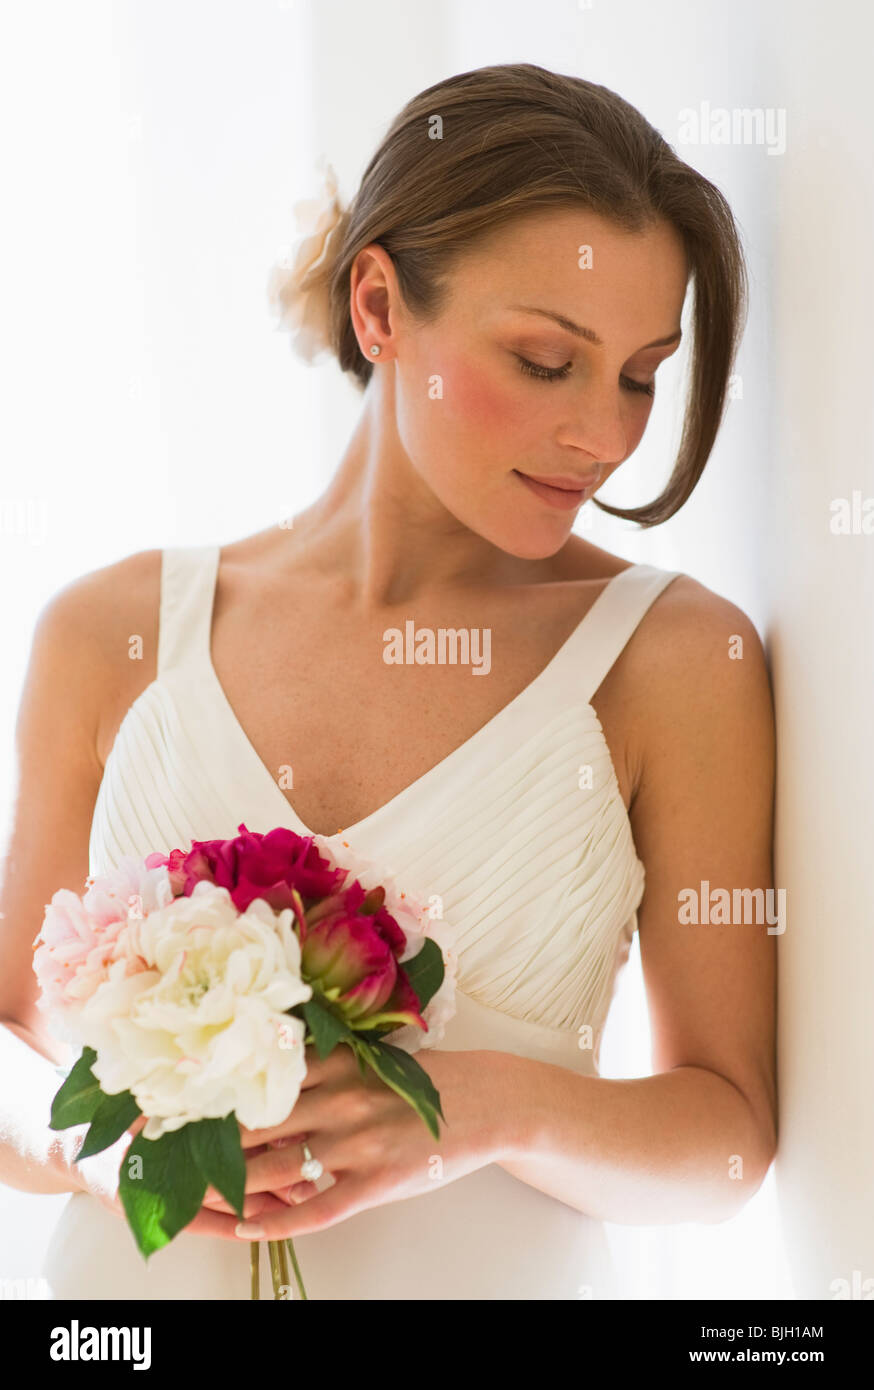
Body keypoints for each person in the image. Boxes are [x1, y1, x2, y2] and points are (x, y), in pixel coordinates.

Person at [0, 62, 777, 1299]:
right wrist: (104, 1150)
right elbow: (16, 1041)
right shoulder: (110, 632)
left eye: (640, 373)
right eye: (544, 359)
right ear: (378, 306)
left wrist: (487, 1107)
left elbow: (727, 1142)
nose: (608, 435)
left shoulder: (676, 662)